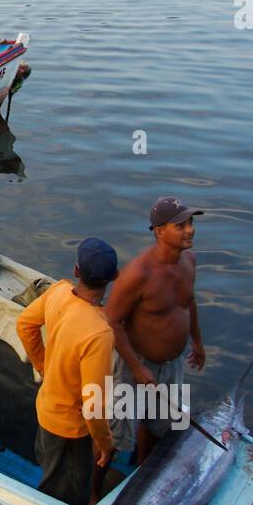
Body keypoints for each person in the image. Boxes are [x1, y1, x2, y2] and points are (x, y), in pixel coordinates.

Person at [16, 238, 118, 505]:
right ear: (114, 278)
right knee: (66, 496)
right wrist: (105, 444)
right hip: (70, 431)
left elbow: (25, 324)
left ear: (76, 271)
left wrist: (42, 366)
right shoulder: (99, 333)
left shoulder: (59, 291)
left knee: (49, 465)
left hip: (45, 408)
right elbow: (94, 406)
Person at [106, 196, 205, 463]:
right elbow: (112, 321)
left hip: (173, 364)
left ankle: (142, 467)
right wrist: (138, 368)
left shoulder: (190, 261)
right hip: (134, 366)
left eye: (191, 222)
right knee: (117, 435)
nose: (190, 230)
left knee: (159, 426)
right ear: (160, 232)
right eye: (181, 225)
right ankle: (97, 491)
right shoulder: (138, 274)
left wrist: (197, 341)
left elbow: (188, 303)